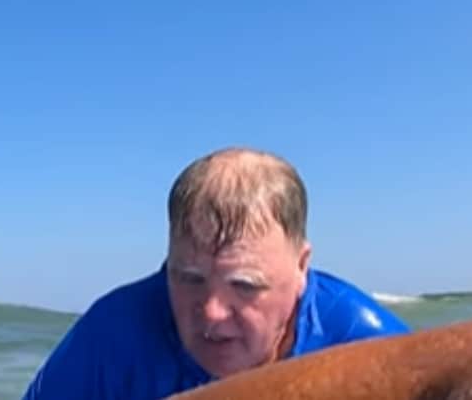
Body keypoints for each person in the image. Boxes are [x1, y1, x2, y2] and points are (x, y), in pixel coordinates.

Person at [20, 146, 410, 399]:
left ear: (301, 268)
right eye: (189, 278)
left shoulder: (363, 344)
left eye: (244, 285)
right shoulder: (113, 334)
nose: (211, 312)